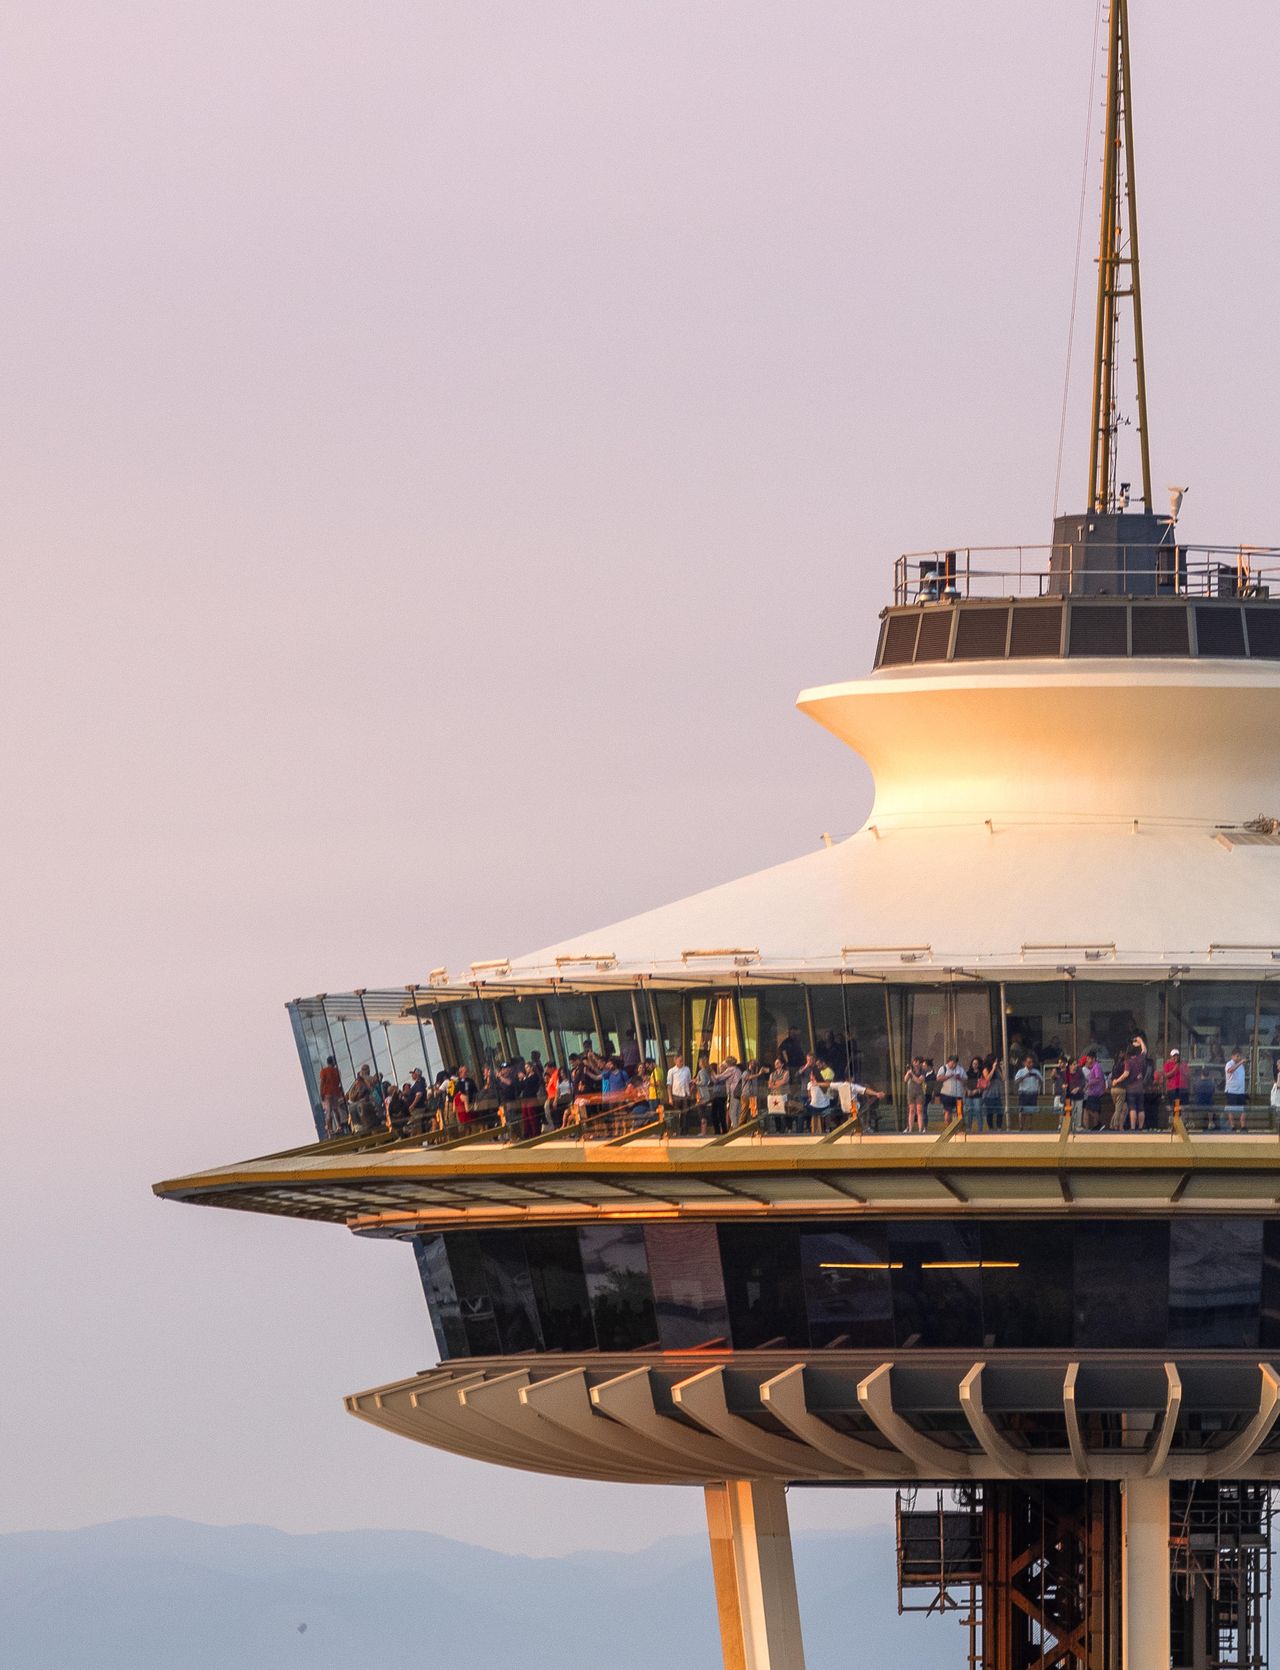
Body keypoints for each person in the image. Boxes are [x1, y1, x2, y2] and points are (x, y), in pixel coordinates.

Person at [1013, 1055, 1042, 1131]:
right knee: (1022, 1111)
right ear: (1025, 1063)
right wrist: (1024, 1076)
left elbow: (1042, 1081)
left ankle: (1030, 1127)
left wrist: (1037, 1078)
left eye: (1032, 1062)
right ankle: (1021, 1127)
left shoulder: (1036, 1071)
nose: (1030, 1064)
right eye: (1029, 1062)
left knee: (1030, 1111)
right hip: (1023, 1093)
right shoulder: (1021, 1071)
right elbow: (1016, 1081)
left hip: (1033, 1093)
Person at [318, 1055, 345, 1138]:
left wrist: (321, 1093)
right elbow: (338, 1082)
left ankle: (330, 1129)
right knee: (336, 1109)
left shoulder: (324, 1071)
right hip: (335, 1093)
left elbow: (322, 1082)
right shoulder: (336, 1071)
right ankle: (339, 1126)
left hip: (327, 1093)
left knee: (328, 1111)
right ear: (333, 1062)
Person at [1224, 1046, 1248, 1131]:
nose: (1239, 1058)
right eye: (1237, 1056)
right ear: (1232, 1056)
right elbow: (1230, 1070)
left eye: (1240, 1056)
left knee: (1244, 1108)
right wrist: (1240, 1062)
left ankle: (1243, 1126)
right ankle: (1232, 1126)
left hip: (1240, 1091)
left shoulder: (1241, 1066)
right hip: (1231, 1091)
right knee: (1231, 1109)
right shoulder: (1229, 1064)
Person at [667, 1053, 693, 1133]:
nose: (681, 1062)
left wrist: (690, 1093)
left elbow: (689, 1082)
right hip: (676, 1095)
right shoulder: (671, 1071)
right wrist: (670, 1098)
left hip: (685, 1095)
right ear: (675, 1061)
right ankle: (677, 1131)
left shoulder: (687, 1069)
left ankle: (685, 1131)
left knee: (686, 1114)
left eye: (682, 1061)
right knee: (677, 1114)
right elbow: (669, 1085)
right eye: (680, 1061)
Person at [936, 1054, 966, 1122]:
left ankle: (959, 1128)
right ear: (948, 1062)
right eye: (952, 1063)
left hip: (958, 1095)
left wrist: (960, 1078)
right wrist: (949, 1076)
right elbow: (938, 1078)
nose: (953, 1065)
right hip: (947, 1095)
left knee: (960, 1112)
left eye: (955, 1063)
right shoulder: (944, 1068)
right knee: (948, 1111)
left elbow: (965, 1080)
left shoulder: (960, 1069)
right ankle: (948, 1128)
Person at [1081, 1051, 1106, 1131]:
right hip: (1092, 1092)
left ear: (1093, 1058)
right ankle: (1097, 1125)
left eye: (1088, 1058)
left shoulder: (1096, 1066)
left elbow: (1098, 1078)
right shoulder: (1094, 1067)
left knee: (1089, 1109)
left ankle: (1099, 1123)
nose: (1087, 1060)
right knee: (1090, 1109)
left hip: (1095, 1092)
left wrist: (1088, 1084)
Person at [1163, 1049, 1189, 1124]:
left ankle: (1182, 1123)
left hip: (1182, 1089)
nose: (1175, 1058)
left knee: (1182, 1107)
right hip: (1172, 1089)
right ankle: (1174, 1123)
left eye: (1177, 1056)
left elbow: (1188, 1075)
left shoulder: (1183, 1064)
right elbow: (1166, 1075)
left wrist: (1180, 1067)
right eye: (1174, 1056)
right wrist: (1175, 1068)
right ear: (1171, 1057)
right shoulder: (1167, 1064)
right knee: (1174, 1107)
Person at [766, 1056, 791, 1135]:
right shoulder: (772, 1074)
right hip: (775, 1095)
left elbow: (784, 1081)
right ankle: (778, 1129)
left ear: (782, 1064)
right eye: (775, 1063)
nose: (776, 1064)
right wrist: (776, 1083)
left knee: (785, 1111)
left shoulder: (786, 1072)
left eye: (778, 1062)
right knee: (776, 1112)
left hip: (784, 1094)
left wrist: (774, 1083)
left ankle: (788, 1127)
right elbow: (769, 1084)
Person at [903, 1057, 927, 1134]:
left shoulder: (923, 1071)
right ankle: (910, 1129)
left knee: (919, 1110)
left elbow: (919, 1081)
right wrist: (908, 1072)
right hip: (911, 1092)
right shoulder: (910, 1071)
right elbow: (905, 1080)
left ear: (920, 1063)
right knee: (911, 1110)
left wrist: (912, 1074)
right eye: (914, 1062)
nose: (915, 1064)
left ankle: (920, 1129)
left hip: (919, 1092)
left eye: (917, 1062)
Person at [980, 1056, 1004, 1131]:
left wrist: (1002, 1068)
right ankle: (991, 1128)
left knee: (1000, 1112)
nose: (996, 1063)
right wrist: (993, 1069)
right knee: (990, 1112)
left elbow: (1003, 1078)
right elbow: (987, 1078)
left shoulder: (997, 1070)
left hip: (997, 1094)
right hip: (988, 1094)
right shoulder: (986, 1069)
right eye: (995, 1061)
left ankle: (999, 1127)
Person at [963, 1057, 983, 1129]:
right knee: (969, 1112)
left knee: (978, 1110)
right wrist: (967, 1090)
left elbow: (983, 1085)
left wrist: (976, 1091)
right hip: (968, 1095)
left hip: (977, 1095)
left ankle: (980, 1129)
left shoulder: (981, 1073)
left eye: (976, 1064)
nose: (975, 1065)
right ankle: (969, 1128)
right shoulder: (967, 1073)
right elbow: (964, 1084)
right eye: (974, 1063)